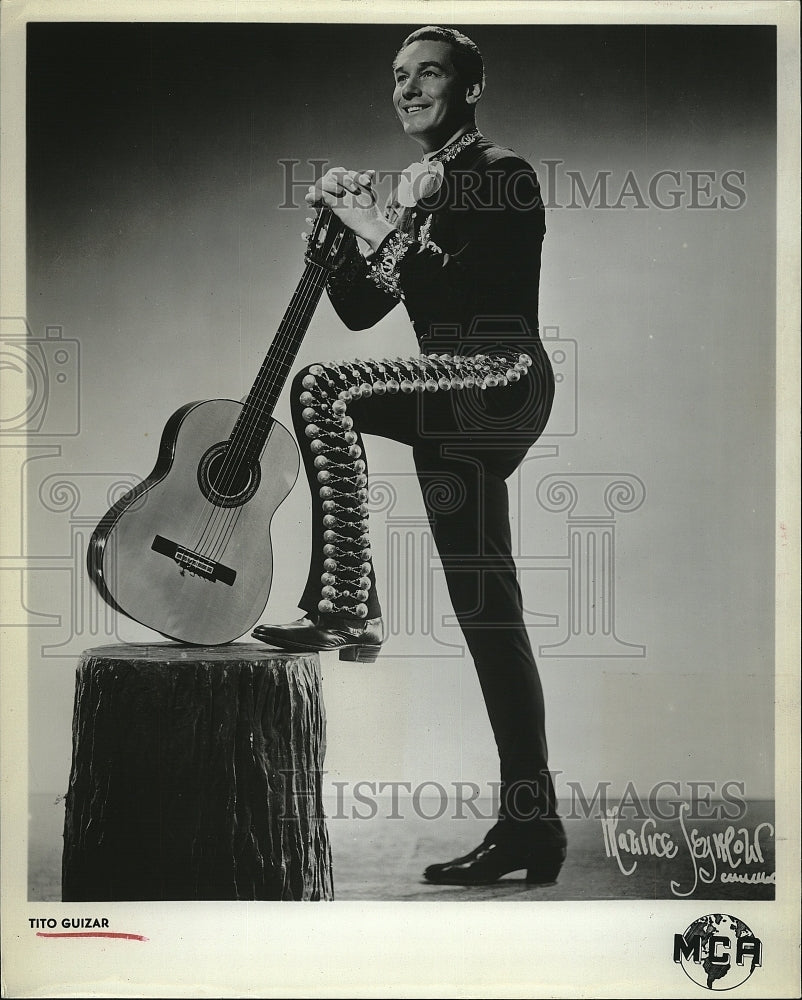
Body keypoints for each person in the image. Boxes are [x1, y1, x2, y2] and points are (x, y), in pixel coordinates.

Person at [253, 25, 567, 886]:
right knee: (488, 614)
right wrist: (339, 230)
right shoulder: (418, 188)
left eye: (429, 73)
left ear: (470, 87)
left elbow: (471, 298)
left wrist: (394, 219)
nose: (409, 88)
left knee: (324, 388)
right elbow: (362, 310)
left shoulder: (503, 175)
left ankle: (347, 602)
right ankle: (532, 828)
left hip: (499, 380)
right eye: (398, 76)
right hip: (444, 394)